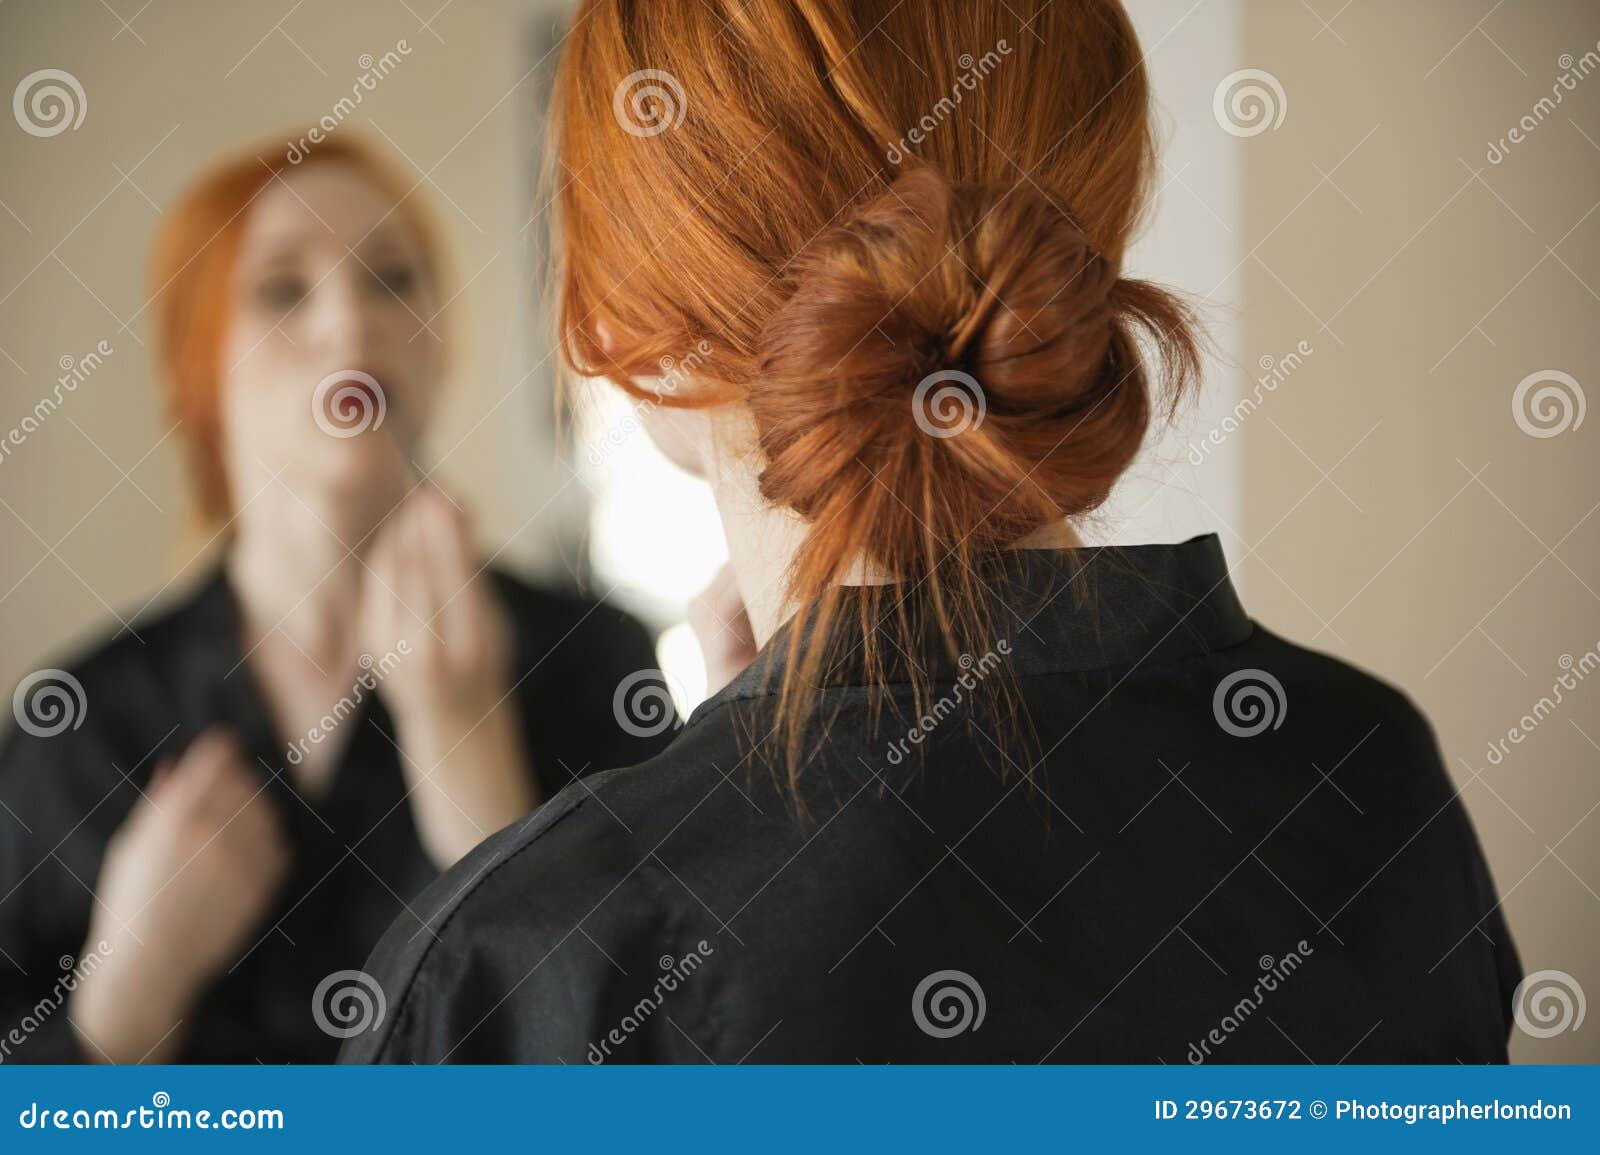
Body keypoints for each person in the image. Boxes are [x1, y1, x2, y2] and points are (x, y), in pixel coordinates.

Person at [341, 0, 1520, 1063]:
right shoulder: (1367, 778)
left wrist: (746, 820)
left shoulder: (513, 976)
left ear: (623, 325)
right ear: (1077, 249)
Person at [0, 132, 673, 1063]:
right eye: (282, 289)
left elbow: (655, 1061)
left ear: (444, 346)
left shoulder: (597, 662)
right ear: (198, 372)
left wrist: (469, 750)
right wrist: (123, 999)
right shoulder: (76, 726)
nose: (351, 326)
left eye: (393, 279)